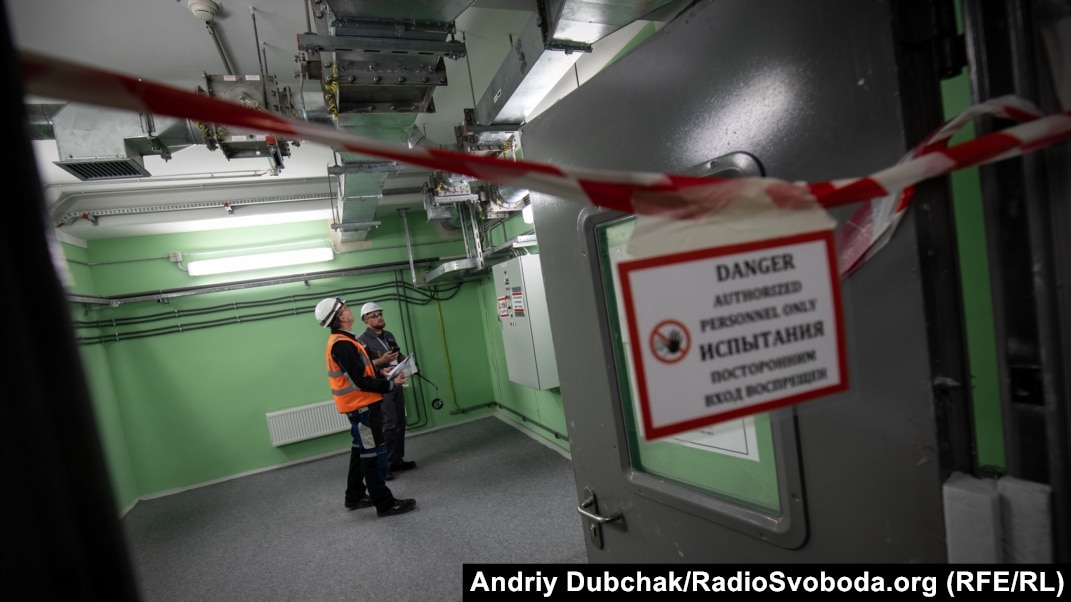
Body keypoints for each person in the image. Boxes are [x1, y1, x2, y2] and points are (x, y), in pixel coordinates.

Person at [314, 296, 416, 517]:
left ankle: (354, 495)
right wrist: (390, 384)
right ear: (341, 317)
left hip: (360, 407)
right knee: (373, 455)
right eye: (346, 308)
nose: (349, 309)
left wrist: (381, 372)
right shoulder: (342, 344)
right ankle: (385, 503)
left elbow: (360, 371)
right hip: (363, 408)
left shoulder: (346, 340)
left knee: (359, 452)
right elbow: (360, 381)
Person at [357, 301, 418, 480]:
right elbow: (363, 366)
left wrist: (408, 363)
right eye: (374, 316)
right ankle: (385, 465)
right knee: (388, 425)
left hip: (396, 383)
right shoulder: (362, 341)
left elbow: (396, 355)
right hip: (381, 387)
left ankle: (397, 460)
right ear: (366, 320)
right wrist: (381, 361)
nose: (379, 318)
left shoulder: (389, 336)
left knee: (399, 423)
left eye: (380, 314)